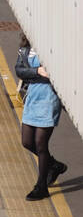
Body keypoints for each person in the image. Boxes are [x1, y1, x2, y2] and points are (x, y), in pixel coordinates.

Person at [16, 37, 66, 201]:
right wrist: (37, 72)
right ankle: (53, 165)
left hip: (48, 99)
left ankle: (41, 186)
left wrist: (32, 75)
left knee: (40, 143)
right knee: (26, 142)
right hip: (32, 98)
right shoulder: (26, 48)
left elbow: (58, 75)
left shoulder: (55, 47)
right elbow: (19, 70)